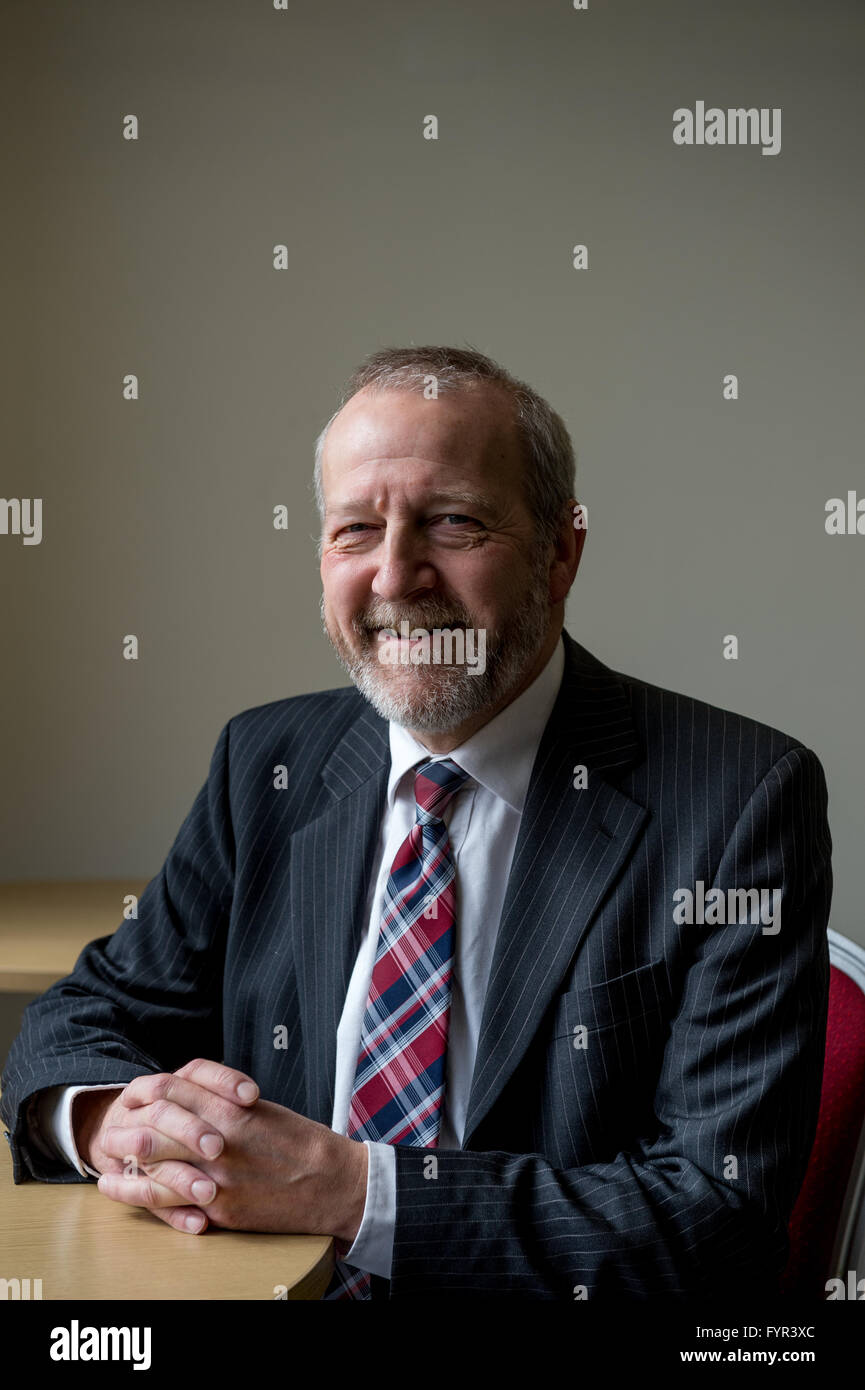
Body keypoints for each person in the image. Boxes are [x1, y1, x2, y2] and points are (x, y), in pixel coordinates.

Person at [1, 345, 832, 1300]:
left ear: (561, 552)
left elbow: (714, 1216)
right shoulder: (266, 762)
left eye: (452, 522)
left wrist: (355, 1194)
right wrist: (112, 1118)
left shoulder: (738, 798)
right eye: (355, 529)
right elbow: (86, 1012)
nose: (397, 577)